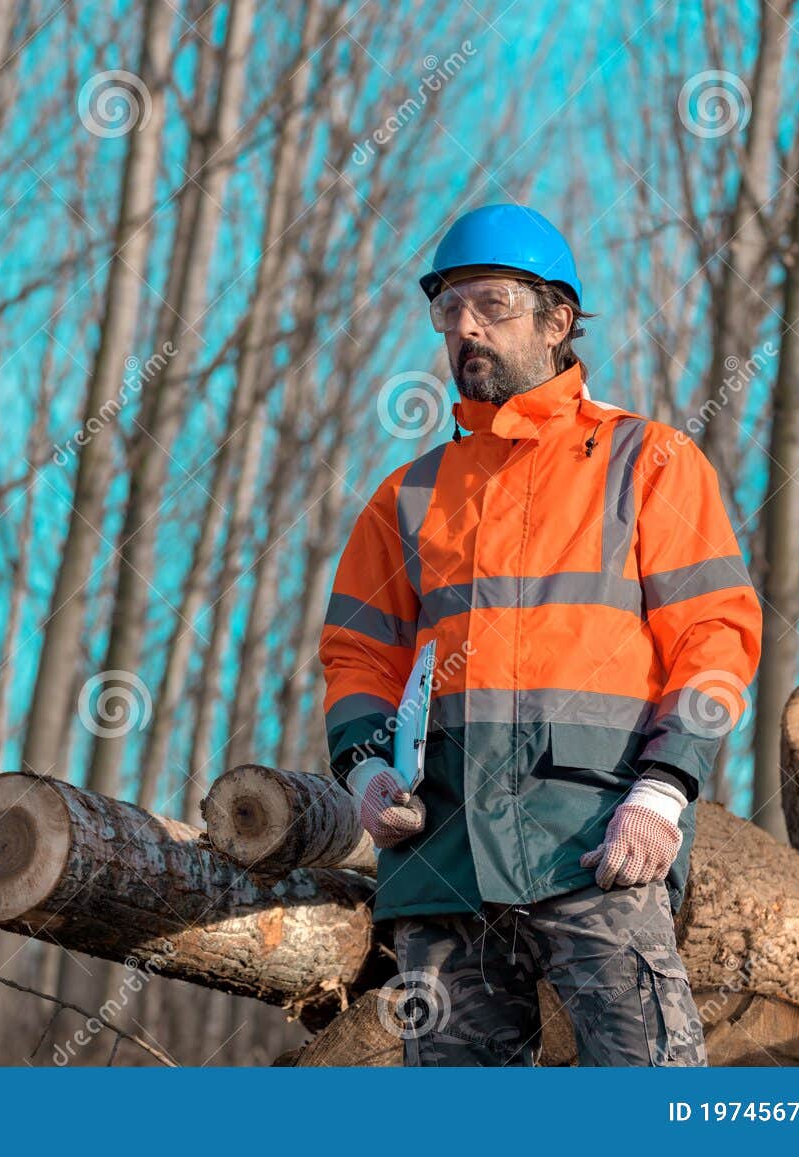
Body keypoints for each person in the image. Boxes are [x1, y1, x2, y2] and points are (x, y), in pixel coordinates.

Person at [318, 203, 762, 1066]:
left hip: (596, 845)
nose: (466, 328)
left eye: (492, 304)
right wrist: (367, 767)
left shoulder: (650, 461)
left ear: (558, 320)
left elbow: (716, 635)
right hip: (440, 860)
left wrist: (663, 792)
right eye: (449, 309)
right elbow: (356, 655)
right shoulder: (406, 496)